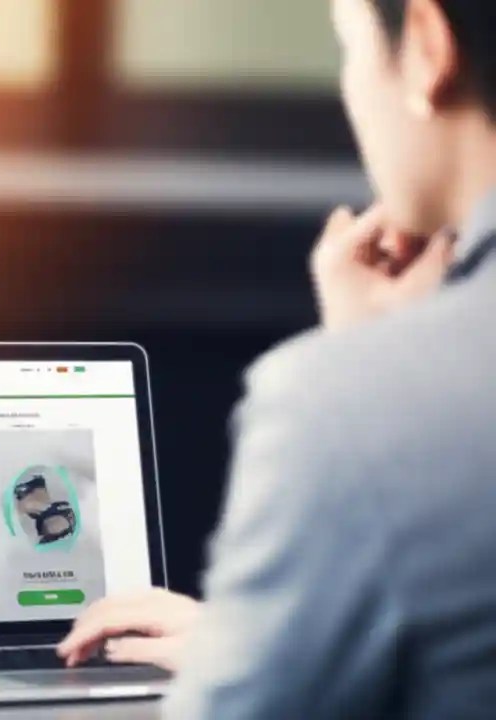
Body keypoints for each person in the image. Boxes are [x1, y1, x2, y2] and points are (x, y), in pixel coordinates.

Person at [57, 0, 496, 716]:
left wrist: (364, 370)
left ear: (425, 46)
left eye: (350, 50)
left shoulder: (345, 404)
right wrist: (266, 641)